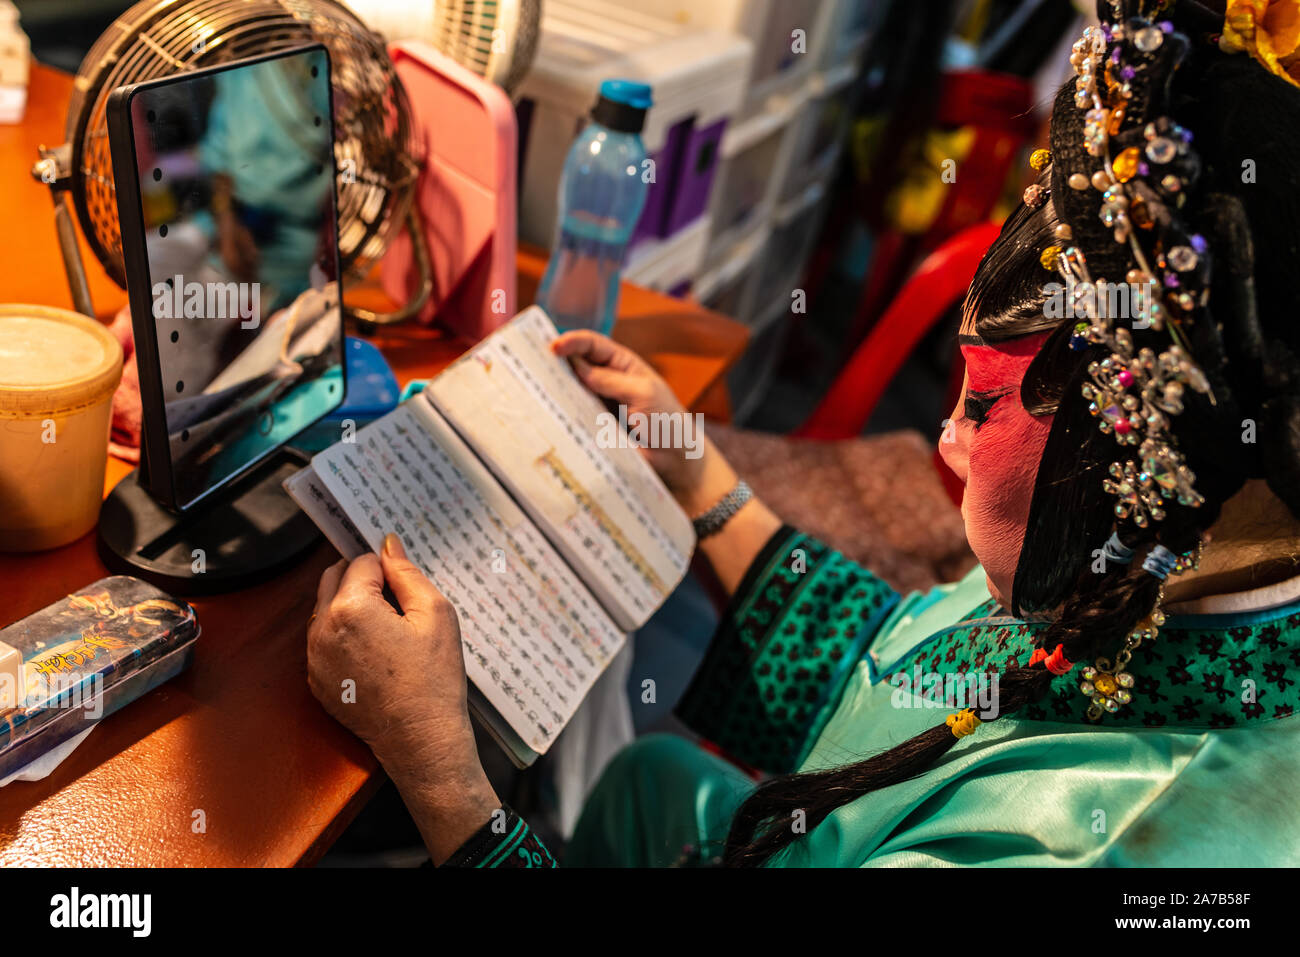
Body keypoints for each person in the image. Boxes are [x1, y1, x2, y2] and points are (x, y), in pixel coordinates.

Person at [306, 0, 1300, 867]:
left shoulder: (1084, 845)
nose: (944, 441)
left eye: (984, 406)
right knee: (649, 774)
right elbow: (909, 688)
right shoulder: (1163, 583)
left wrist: (440, 774)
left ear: (1139, 463)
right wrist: (697, 476)